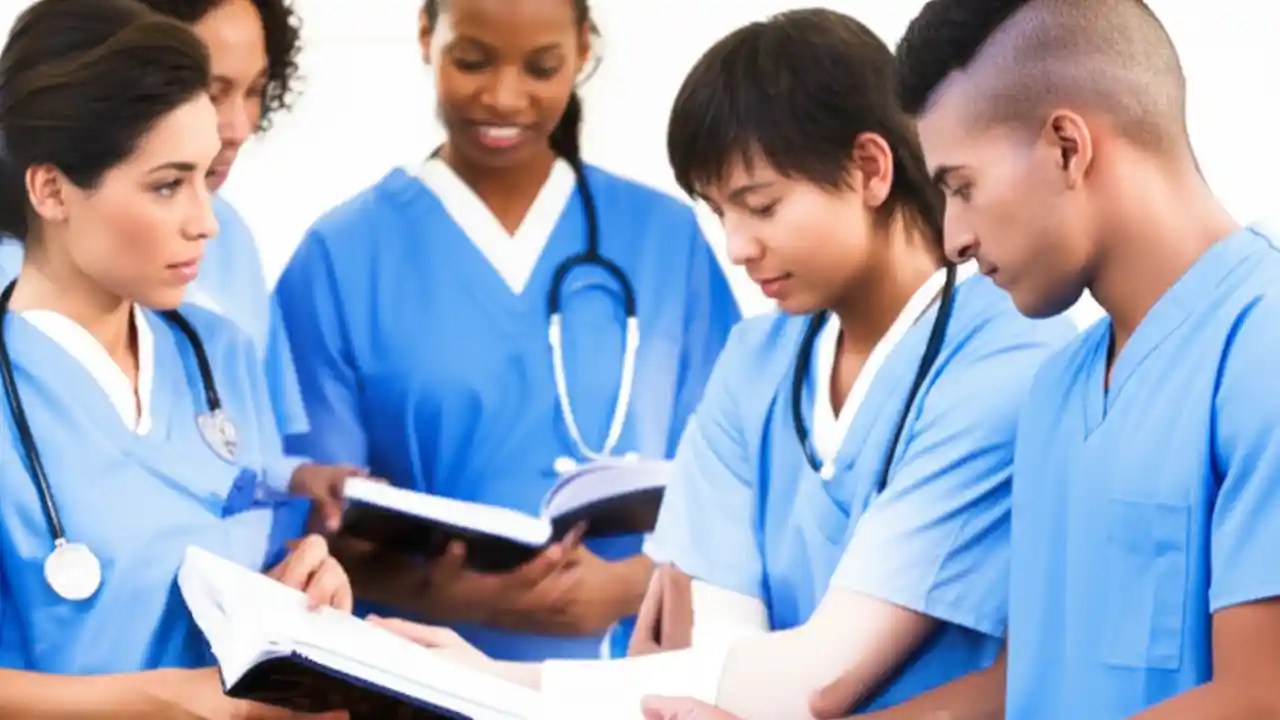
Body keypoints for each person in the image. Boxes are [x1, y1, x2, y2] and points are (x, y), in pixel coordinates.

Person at [369, 9, 1075, 718]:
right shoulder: (755, 360)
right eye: (718, 214)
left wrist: (503, 680)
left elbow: (815, 679)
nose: (737, 247)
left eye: (760, 207)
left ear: (869, 168)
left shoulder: (1005, 360)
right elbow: (713, 657)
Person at [836, 0, 1280, 718]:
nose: (953, 239)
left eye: (962, 187)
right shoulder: (1056, 392)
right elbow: (1026, 687)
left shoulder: (1262, 349)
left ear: (1067, 148)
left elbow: (1261, 700)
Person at [273, 0, 741, 663]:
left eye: (542, 66)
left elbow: (742, 481)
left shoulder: (667, 241)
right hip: (418, 674)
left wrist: (629, 586)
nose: (503, 96)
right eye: (472, 61)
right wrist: (470, 600)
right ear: (424, 37)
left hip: (624, 681)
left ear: (583, 50)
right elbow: (306, 527)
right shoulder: (340, 256)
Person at [0, 1, 351, 716]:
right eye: (167, 185)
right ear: (52, 189)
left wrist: (299, 589)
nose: (206, 221)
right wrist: (153, 699)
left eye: (202, 177)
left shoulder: (220, 355)